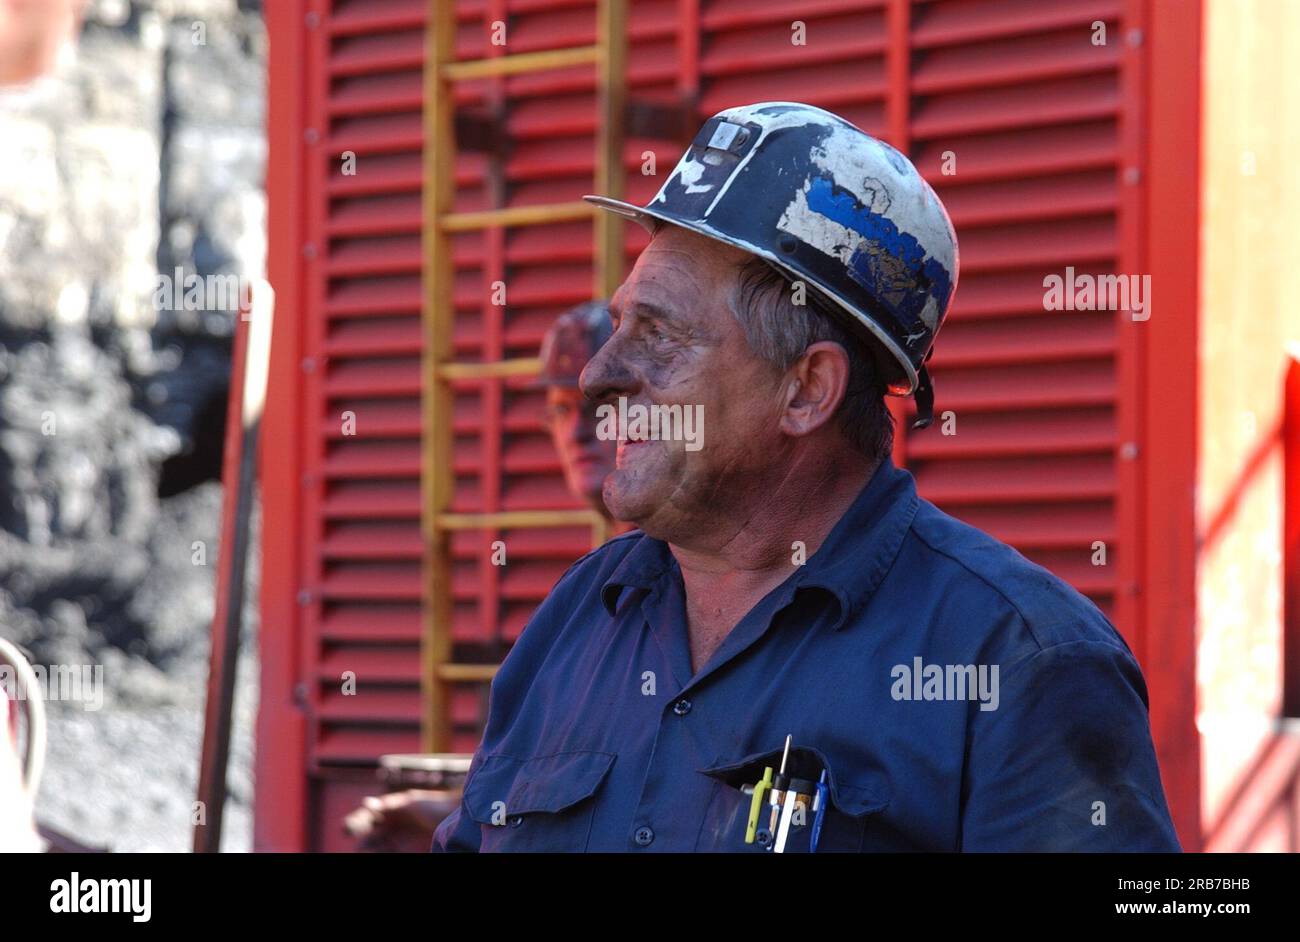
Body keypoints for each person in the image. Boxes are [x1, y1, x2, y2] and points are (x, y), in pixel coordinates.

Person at [431, 102, 1180, 852]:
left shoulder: (1020, 665)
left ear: (806, 390)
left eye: (658, 335)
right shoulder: (576, 623)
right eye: (621, 324)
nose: (599, 376)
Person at [345, 301, 618, 850]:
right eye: (560, 410)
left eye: (596, 410)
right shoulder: (592, 589)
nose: (577, 434)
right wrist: (448, 813)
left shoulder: (687, 582)